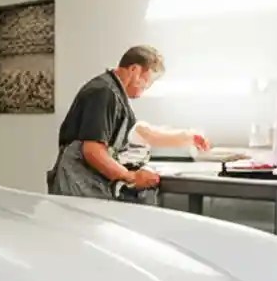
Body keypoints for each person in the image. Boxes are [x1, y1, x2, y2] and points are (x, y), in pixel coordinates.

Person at [47, 45, 211, 203]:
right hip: (77, 183)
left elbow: (142, 133)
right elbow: (93, 151)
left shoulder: (115, 93)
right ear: (134, 70)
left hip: (87, 183)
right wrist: (131, 177)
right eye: (148, 81)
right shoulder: (104, 93)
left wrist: (188, 137)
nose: (147, 87)